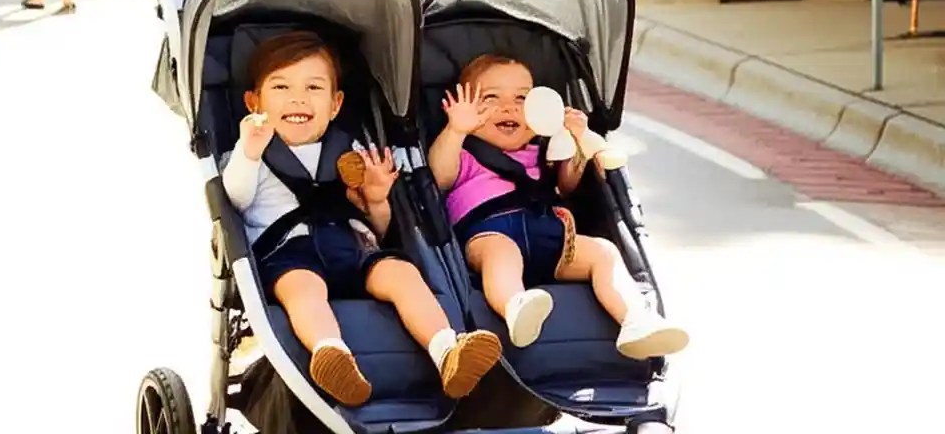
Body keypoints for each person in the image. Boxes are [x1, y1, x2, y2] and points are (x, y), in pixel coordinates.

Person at [223, 32, 503, 407]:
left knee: (402, 274)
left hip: (353, 245)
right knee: (303, 289)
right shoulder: (246, 154)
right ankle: (332, 353)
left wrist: (376, 198)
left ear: (335, 104)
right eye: (281, 86)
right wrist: (250, 151)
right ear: (253, 102)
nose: (298, 98)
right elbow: (235, 200)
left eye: (313, 87)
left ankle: (447, 350)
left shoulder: (351, 150)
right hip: (289, 253)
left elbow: (380, 229)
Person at [427, 54, 690, 359]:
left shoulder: (541, 153)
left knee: (604, 252)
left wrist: (576, 142)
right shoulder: (464, 153)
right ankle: (515, 306)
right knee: (502, 256)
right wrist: (456, 130)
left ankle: (635, 318)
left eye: (522, 99)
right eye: (490, 98)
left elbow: (567, 186)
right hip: (489, 233)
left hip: (550, 237)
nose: (509, 107)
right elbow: (438, 176)